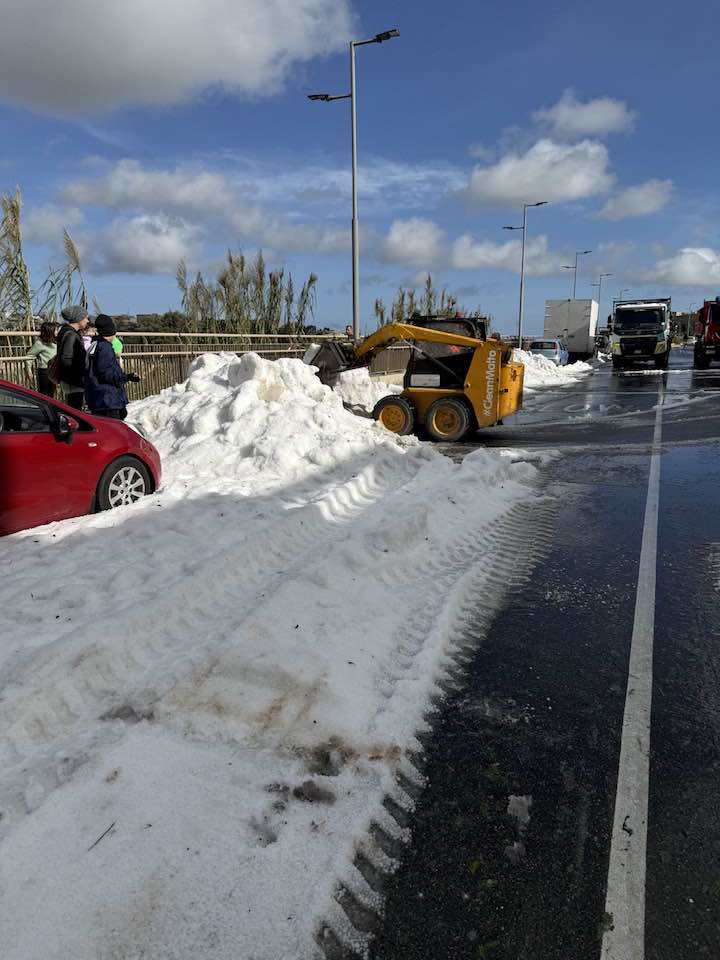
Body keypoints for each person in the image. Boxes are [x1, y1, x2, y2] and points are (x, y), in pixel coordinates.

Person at [85, 314, 140, 419]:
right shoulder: (105, 348)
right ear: (112, 332)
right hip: (108, 399)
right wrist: (127, 377)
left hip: (99, 397)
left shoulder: (95, 344)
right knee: (114, 430)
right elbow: (107, 374)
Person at [56, 305, 91, 409]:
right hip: (73, 380)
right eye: (85, 318)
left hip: (71, 379)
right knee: (75, 407)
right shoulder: (71, 335)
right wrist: (79, 373)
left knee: (73, 406)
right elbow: (66, 358)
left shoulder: (66, 331)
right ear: (78, 319)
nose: (87, 321)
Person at [24, 321, 58, 397]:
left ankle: (49, 408)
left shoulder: (56, 342)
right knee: (44, 393)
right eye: (55, 330)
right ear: (50, 331)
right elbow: (29, 356)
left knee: (52, 393)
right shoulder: (40, 343)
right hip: (45, 370)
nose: (57, 332)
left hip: (54, 370)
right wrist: (29, 369)